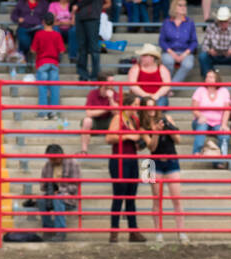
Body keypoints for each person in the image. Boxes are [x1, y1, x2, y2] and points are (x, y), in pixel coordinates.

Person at [106, 91, 149, 241]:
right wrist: (127, 136)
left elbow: (138, 141)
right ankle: (114, 231)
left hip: (132, 159)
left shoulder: (134, 120)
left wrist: (139, 143)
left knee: (131, 196)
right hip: (119, 160)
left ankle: (133, 230)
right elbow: (109, 137)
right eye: (135, 104)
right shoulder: (119, 118)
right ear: (128, 105)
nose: (138, 107)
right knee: (119, 196)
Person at [143, 101, 188, 242]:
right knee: (156, 199)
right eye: (147, 106)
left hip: (171, 160)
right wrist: (156, 132)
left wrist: (167, 127)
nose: (151, 109)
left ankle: (181, 232)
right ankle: (158, 233)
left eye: (153, 105)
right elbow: (151, 147)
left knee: (177, 198)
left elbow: (178, 139)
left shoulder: (166, 118)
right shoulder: (143, 125)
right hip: (152, 163)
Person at [38, 143, 80, 238]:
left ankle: (60, 231)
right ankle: (48, 229)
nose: (52, 161)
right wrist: (48, 187)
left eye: (55, 158)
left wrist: (60, 190)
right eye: (50, 159)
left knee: (57, 198)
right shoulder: (47, 165)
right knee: (40, 200)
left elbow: (75, 187)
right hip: (51, 195)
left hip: (68, 197)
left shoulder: (72, 163)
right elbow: (42, 185)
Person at [191, 68, 231, 158]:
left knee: (225, 135)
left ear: (217, 79)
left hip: (217, 122)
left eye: (211, 77)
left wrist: (224, 124)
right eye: (207, 77)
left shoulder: (224, 91)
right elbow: (194, 108)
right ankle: (196, 152)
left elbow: (227, 109)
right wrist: (200, 116)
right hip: (201, 121)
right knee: (202, 125)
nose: (208, 79)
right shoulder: (200, 90)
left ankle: (220, 158)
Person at [198, 6, 231, 80]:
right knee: (203, 56)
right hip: (214, 55)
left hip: (230, 56)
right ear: (218, 20)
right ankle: (209, 80)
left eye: (225, 21)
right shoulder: (211, 27)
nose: (223, 23)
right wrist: (210, 51)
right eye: (221, 21)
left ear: (229, 20)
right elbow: (205, 45)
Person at [33, 13, 65, 118]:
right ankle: (54, 112)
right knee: (54, 89)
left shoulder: (39, 34)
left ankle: (43, 113)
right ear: (54, 22)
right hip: (54, 64)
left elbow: (33, 50)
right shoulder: (57, 35)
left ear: (43, 22)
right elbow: (62, 50)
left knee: (43, 89)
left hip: (42, 63)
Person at [158, 0, 197, 83]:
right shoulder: (167, 22)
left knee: (188, 64)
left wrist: (185, 53)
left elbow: (194, 41)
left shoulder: (190, 23)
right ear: (174, 7)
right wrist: (171, 53)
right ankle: (168, 84)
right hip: (169, 51)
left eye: (185, 5)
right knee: (168, 61)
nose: (183, 8)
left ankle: (169, 87)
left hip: (185, 51)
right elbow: (162, 41)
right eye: (180, 5)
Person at [80, 74, 118, 151]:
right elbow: (89, 113)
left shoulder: (115, 94)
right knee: (87, 121)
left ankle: (116, 151)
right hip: (96, 122)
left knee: (118, 119)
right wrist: (107, 109)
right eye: (111, 81)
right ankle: (84, 150)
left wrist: (111, 99)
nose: (113, 83)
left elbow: (116, 113)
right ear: (103, 83)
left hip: (109, 122)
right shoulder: (92, 93)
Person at [70, 0, 104, 82]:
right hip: (80, 17)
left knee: (94, 48)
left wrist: (78, 5)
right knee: (82, 47)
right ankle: (83, 74)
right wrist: (72, 6)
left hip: (92, 16)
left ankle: (95, 75)